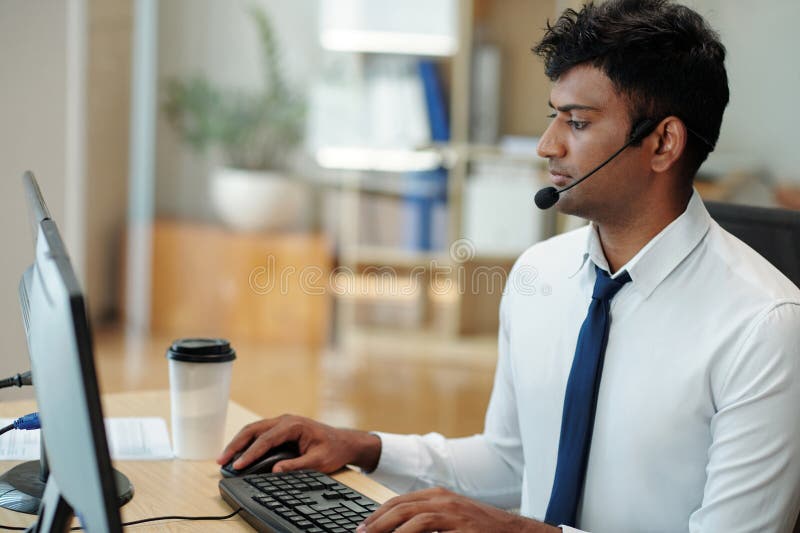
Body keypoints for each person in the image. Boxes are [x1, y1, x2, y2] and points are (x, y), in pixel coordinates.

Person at [218, 1, 800, 531]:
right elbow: (512, 461)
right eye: (554, 117)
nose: (547, 145)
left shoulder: (764, 326)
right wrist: (363, 447)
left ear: (663, 143)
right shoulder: (539, 276)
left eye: (576, 122)